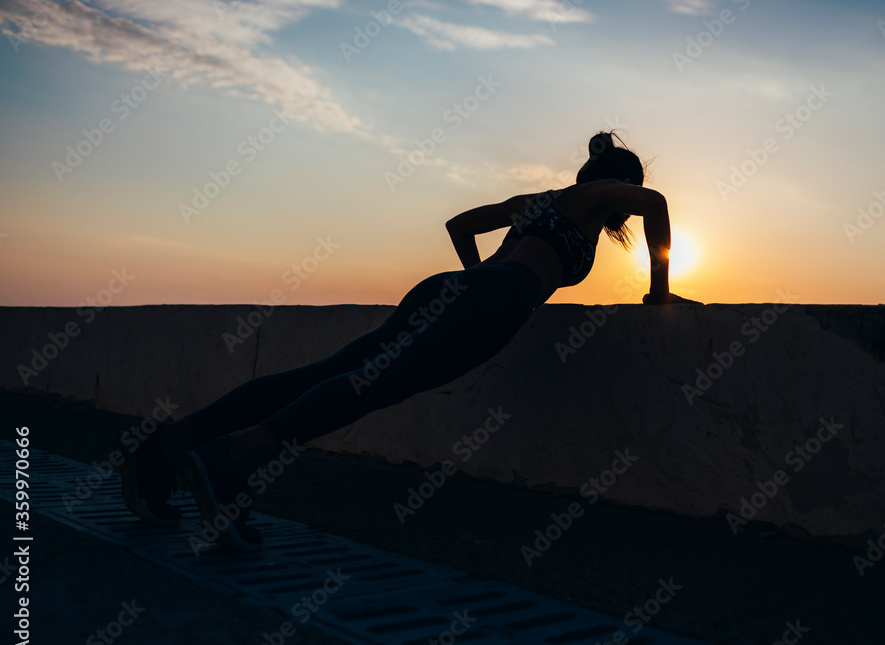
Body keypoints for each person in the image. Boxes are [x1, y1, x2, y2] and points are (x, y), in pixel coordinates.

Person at [118, 131, 696, 551]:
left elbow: (460, 226)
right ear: (619, 184)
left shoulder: (535, 203)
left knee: (325, 371)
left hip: (453, 286)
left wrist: (477, 277)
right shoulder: (596, 199)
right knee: (374, 387)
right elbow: (659, 205)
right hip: (498, 296)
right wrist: (660, 292)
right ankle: (230, 460)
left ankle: (164, 448)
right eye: (627, 190)